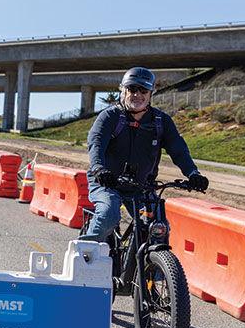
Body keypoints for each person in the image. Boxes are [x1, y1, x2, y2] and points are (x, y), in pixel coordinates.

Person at [84, 67, 209, 242]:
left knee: (158, 228)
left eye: (143, 90)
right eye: (132, 89)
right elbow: (96, 143)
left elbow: (178, 149)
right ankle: (83, 255)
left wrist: (193, 173)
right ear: (123, 90)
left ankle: (151, 267)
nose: (138, 95)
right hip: (107, 183)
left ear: (151, 94)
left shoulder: (161, 121)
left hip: (141, 187)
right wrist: (98, 169)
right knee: (108, 216)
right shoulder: (110, 116)